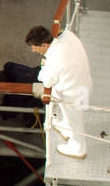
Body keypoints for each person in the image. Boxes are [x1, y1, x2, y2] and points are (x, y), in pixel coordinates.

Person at [25, 24, 93, 158]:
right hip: (84, 82)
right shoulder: (67, 36)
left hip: (74, 95)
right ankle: (65, 127)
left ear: (44, 45)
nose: (33, 50)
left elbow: (45, 80)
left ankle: (79, 148)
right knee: (67, 112)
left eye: (34, 46)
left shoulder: (54, 60)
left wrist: (44, 66)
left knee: (77, 122)